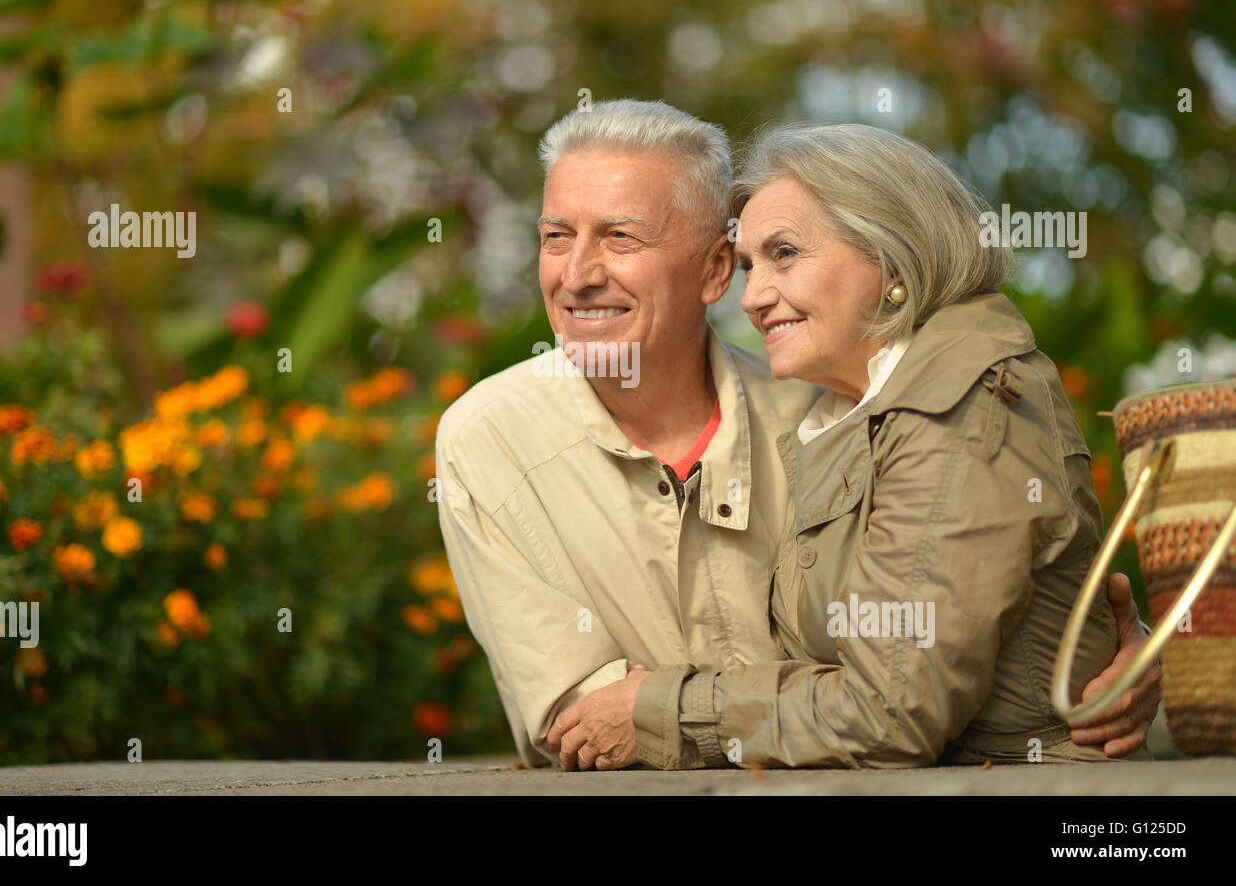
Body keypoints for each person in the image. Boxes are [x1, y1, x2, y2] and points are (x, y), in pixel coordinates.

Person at [435, 101, 1159, 770]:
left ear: (708, 270)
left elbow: (894, 694)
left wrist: (1095, 649)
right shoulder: (487, 437)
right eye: (555, 237)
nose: (578, 273)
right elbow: (592, 724)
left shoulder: (849, 408)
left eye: (621, 236)